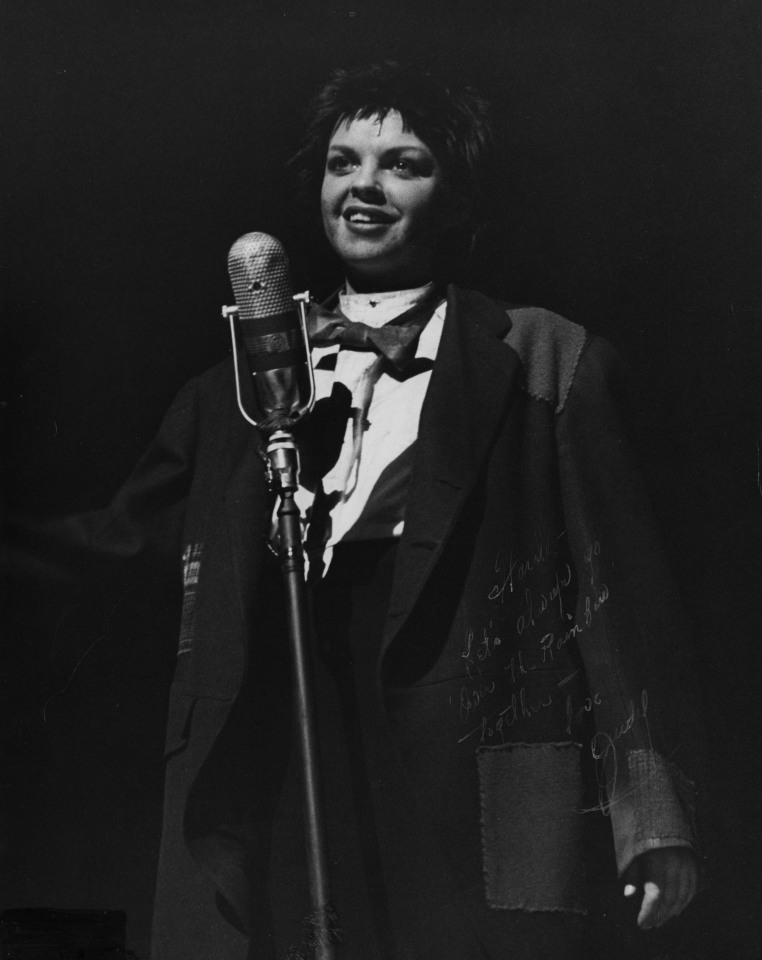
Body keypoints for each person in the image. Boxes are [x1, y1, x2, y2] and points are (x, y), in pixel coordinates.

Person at [9, 62, 703, 959]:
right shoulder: (229, 388)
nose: (364, 188)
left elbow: (621, 604)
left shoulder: (545, 356)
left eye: (402, 164)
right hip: (283, 733)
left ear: (454, 197)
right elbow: (113, 546)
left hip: (464, 762)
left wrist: (655, 817)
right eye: (345, 163)